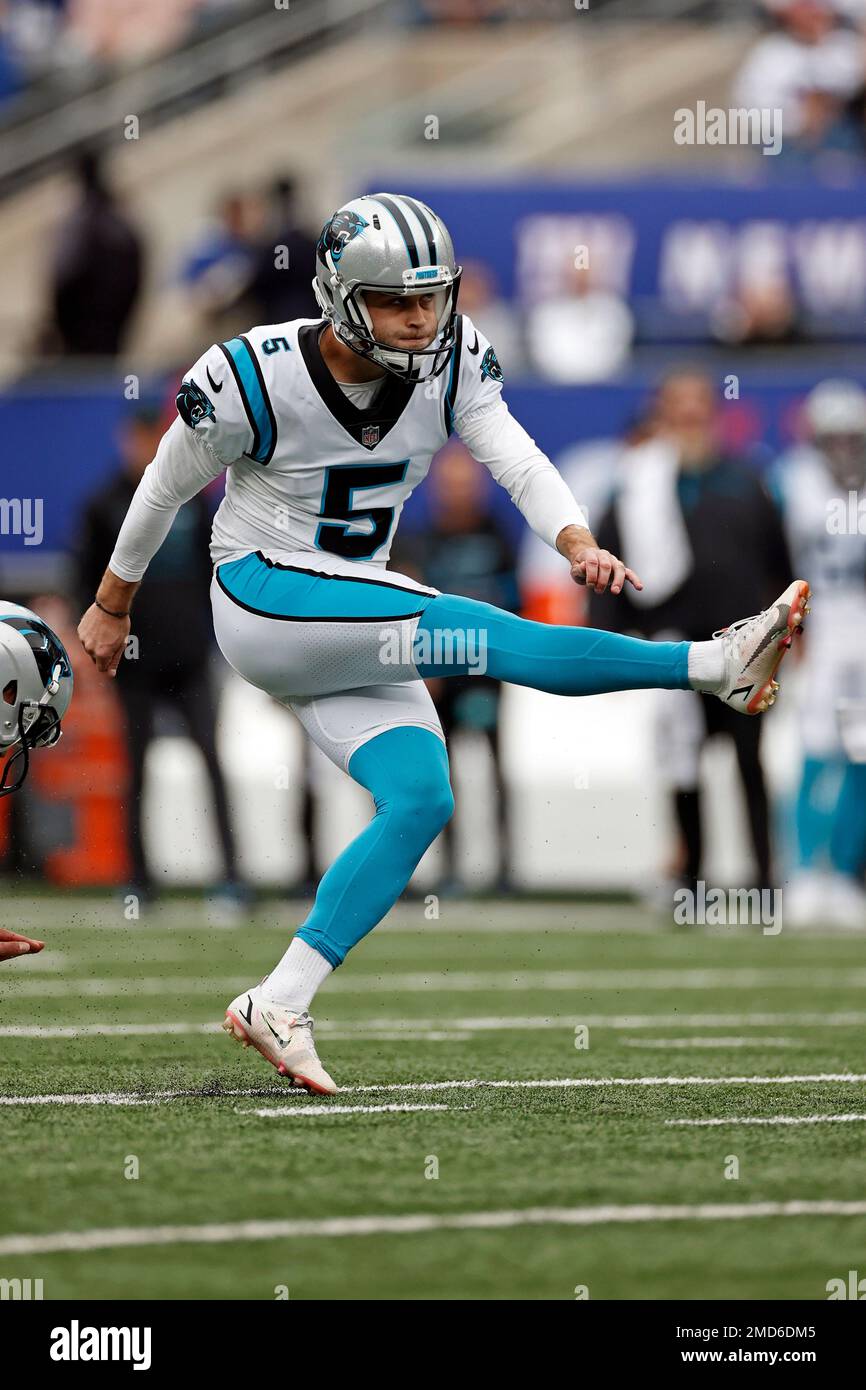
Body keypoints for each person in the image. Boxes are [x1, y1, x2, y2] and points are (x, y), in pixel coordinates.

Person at [77, 193, 809, 1095]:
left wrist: (574, 538)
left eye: (432, 296)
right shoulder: (253, 374)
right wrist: (113, 603)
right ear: (341, 298)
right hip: (264, 591)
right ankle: (712, 664)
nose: (421, 317)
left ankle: (281, 998)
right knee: (483, 635)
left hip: (346, 618)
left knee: (421, 798)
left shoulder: (451, 357)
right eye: (395, 300)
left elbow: (512, 453)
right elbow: (161, 487)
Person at [591, 371, 795, 895]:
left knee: (750, 762)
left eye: (696, 404)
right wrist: (610, 644)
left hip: (745, 647)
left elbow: (780, 563)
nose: (688, 416)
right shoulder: (638, 486)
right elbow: (605, 562)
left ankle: (764, 878)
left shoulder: (746, 479)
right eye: (677, 405)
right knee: (683, 765)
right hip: (678, 649)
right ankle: (693, 878)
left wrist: (788, 639)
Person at [75, 399, 242, 905]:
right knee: (137, 767)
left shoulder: (190, 496)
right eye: (140, 436)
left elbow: (217, 567)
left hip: (190, 657)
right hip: (136, 664)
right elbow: (86, 582)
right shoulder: (104, 505)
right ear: (128, 439)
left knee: (213, 761)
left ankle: (232, 875)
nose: (147, 446)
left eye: (156, 436)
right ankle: (139, 879)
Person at [772, 379, 866, 924]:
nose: (845, 449)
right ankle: (805, 870)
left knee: (858, 754)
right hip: (819, 628)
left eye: (854, 437)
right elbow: (776, 561)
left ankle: (846, 872)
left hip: (861, 628)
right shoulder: (792, 481)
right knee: (813, 751)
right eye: (836, 437)